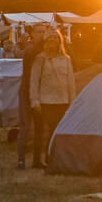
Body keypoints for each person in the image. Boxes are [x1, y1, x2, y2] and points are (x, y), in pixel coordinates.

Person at [29, 30, 76, 171]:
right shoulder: (40, 59)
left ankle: (52, 159)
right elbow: (34, 80)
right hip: (45, 100)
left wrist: (72, 101)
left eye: (55, 38)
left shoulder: (66, 59)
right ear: (45, 41)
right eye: (50, 38)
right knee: (41, 132)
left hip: (62, 100)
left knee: (55, 132)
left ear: (59, 41)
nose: (52, 41)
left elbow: (70, 81)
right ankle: (37, 161)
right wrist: (34, 101)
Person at [17, 24, 48, 169]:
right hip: (26, 91)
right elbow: (31, 54)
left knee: (40, 128)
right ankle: (21, 160)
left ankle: (37, 161)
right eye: (39, 32)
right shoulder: (29, 48)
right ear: (33, 34)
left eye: (43, 32)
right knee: (25, 126)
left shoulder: (46, 48)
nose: (41, 34)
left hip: (40, 92)